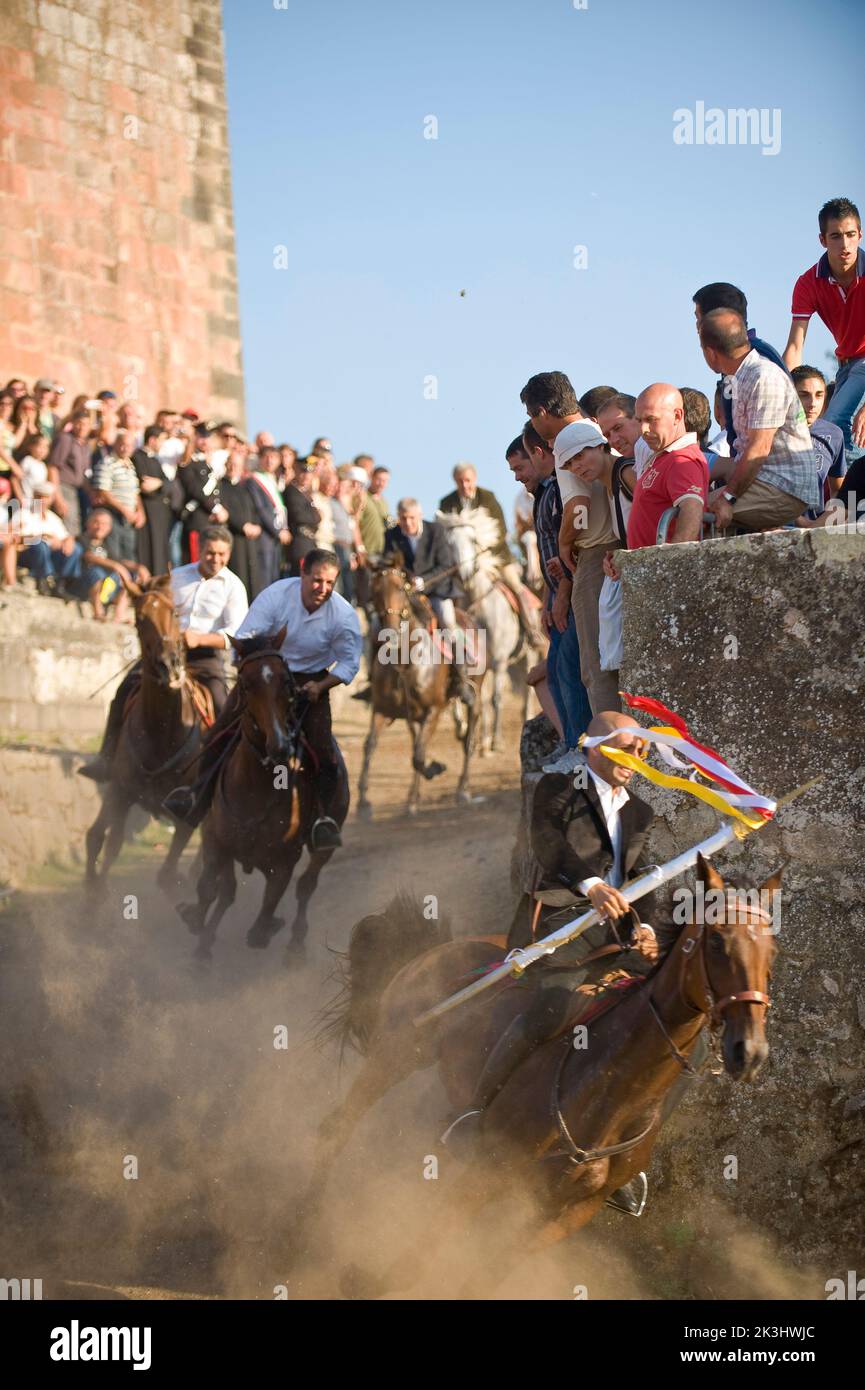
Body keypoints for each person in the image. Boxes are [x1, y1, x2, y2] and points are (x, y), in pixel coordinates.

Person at [442, 713, 661, 1214]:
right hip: (556, 927)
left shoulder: (640, 812)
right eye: (631, 748)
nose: (639, 759)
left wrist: (645, 929)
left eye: (643, 751)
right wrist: (592, 886)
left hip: (612, 936)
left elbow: (642, 876)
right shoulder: (559, 789)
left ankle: (621, 1154)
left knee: (663, 1013)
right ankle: (475, 1115)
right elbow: (550, 846)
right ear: (597, 748)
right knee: (553, 1008)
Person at [164, 549, 361, 852]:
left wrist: (320, 686)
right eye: (317, 580)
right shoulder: (276, 596)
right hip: (267, 674)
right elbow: (244, 638)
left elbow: (349, 663)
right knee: (219, 732)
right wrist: (257, 673)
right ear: (302, 573)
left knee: (323, 749)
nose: (322, 588)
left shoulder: (344, 615)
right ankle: (196, 796)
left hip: (312, 682)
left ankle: (323, 819)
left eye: (329, 583)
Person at [79, 527, 247, 781]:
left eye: (221, 554)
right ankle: (106, 758)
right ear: (199, 549)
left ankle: (222, 773)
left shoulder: (234, 587)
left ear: (229, 554)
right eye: (210, 552)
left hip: (205, 658)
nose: (215, 559)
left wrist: (200, 638)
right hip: (165, 653)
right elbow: (149, 598)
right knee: (124, 691)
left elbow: (237, 634)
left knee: (223, 707)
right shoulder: (176, 577)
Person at [700, 310, 822, 530]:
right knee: (694, 507)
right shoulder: (741, 375)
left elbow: (759, 448)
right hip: (767, 481)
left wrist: (728, 499)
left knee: (689, 514)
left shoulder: (763, 376)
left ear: (710, 353)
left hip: (782, 485)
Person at [512, 428, 591, 763]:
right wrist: (547, 600)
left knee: (568, 671)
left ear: (538, 455)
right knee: (559, 671)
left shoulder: (561, 490)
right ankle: (571, 744)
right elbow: (549, 562)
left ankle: (579, 746)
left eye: (521, 467)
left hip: (571, 597)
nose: (518, 477)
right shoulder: (541, 494)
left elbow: (571, 550)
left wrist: (561, 597)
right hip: (558, 596)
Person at [783, 197, 865, 464]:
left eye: (851, 235)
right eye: (836, 236)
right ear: (822, 240)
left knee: (833, 427)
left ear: (860, 234)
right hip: (845, 366)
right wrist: (786, 395)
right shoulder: (808, 283)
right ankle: (838, 502)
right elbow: (796, 345)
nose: (845, 245)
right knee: (822, 431)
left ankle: (849, 504)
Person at [438, 462, 539, 636]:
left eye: (468, 480)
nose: (465, 485)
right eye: (460, 481)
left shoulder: (488, 498)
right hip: (459, 564)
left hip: (496, 559)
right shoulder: (447, 503)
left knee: (516, 587)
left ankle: (532, 631)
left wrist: (483, 554)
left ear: (474, 479)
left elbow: (501, 531)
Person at [692, 282, 789, 461]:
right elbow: (733, 426)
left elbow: (761, 446)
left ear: (718, 319)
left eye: (698, 319)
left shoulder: (761, 363)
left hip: (768, 474)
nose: (697, 328)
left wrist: (734, 487)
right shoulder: (733, 365)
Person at [625, 385, 708, 550]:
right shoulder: (665, 457)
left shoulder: (682, 459)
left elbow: (691, 512)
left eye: (651, 420)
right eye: (639, 421)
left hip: (659, 571)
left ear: (677, 416)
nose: (643, 429)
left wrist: (668, 565)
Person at [791, 366, 847, 522]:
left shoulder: (834, 434)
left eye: (819, 395)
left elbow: (837, 491)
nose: (813, 403)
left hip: (813, 528)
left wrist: (822, 523)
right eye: (804, 395)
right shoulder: (771, 430)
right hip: (773, 525)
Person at [90, 428, 143, 565]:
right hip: (113, 516)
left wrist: (140, 512)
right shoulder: (107, 463)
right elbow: (103, 491)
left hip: (128, 518)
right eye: (122, 444)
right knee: (115, 556)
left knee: (129, 555)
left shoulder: (130, 465)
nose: (125, 448)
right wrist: (125, 510)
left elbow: (135, 492)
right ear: (115, 444)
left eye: (129, 445)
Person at [220, 444, 262, 597]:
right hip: (234, 538)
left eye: (236, 464)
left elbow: (255, 511)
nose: (232, 467)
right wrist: (243, 525)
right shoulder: (220, 486)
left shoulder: (245, 488)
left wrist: (256, 526)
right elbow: (225, 511)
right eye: (230, 463)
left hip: (249, 541)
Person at [248, 443, 291, 587]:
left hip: (276, 537)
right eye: (266, 457)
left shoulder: (273, 480)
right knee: (264, 578)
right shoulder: (254, 480)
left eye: (273, 457)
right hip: (266, 536)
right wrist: (278, 531)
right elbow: (261, 509)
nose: (270, 461)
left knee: (274, 577)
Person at [133, 424, 173, 576]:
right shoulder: (138, 457)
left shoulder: (155, 461)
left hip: (160, 515)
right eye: (161, 440)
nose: (163, 445)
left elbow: (169, 484)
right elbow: (145, 486)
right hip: (148, 513)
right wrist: (161, 484)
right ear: (152, 440)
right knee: (149, 550)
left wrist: (160, 483)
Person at [47, 409, 92, 536]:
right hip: (64, 488)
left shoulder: (86, 445)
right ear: (73, 423)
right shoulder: (65, 439)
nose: (82, 427)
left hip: (78, 492)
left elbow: (84, 474)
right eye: (79, 423)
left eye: (85, 424)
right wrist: (58, 497)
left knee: (78, 528)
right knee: (67, 529)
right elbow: (53, 467)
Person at [283, 458, 322, 575]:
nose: (306, 476)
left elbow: (317, 518)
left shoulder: (306, 493)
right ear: (297, 471)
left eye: (309, 473)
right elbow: (299, 516)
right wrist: (315, 517)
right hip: (299, 541)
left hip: (309, 541)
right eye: (303, 472)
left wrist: (316, 517)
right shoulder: (291, 490)